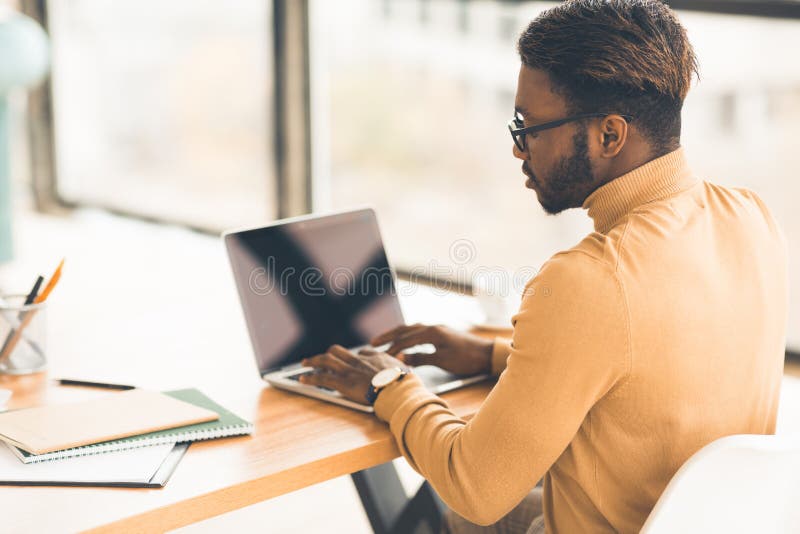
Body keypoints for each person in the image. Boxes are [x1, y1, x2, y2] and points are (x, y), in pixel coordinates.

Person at [300, 1, 788, 532]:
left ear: (609, 135)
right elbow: (655, 367)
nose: (519, 150)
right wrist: (490, 356)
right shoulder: (752, 217)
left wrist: (389, 385)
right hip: (695, 520)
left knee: (453, 505)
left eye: (529, 126)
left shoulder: (592, 279)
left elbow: (476, 487)